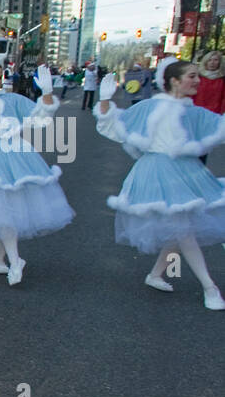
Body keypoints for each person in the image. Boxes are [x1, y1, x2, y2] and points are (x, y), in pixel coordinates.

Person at [95, 59, 225, 309]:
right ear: (174, 81)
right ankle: (210, 287)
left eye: (197, 76)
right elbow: (111, 125)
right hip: (156, 173)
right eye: (192, 76)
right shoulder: (148, 107)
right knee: (183, 228)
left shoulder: (194, 112)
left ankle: (156, 274)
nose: (197, 81)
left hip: (188, 172)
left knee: (181, 226)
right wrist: (104, 101)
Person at [0, 61, 74, 284]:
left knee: (4, 212)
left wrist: (46, 93)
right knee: (0, 212)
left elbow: (40, 119)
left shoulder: (12, 100)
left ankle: (15, 262)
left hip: (11, 159)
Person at [193, 50, 225, 115]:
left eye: (215, 60)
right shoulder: (197, 77)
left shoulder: (222, 79)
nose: (212, 62)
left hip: (215, 114)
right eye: (209, 60)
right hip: (196, 112)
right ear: (205, 62)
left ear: (220, 62)